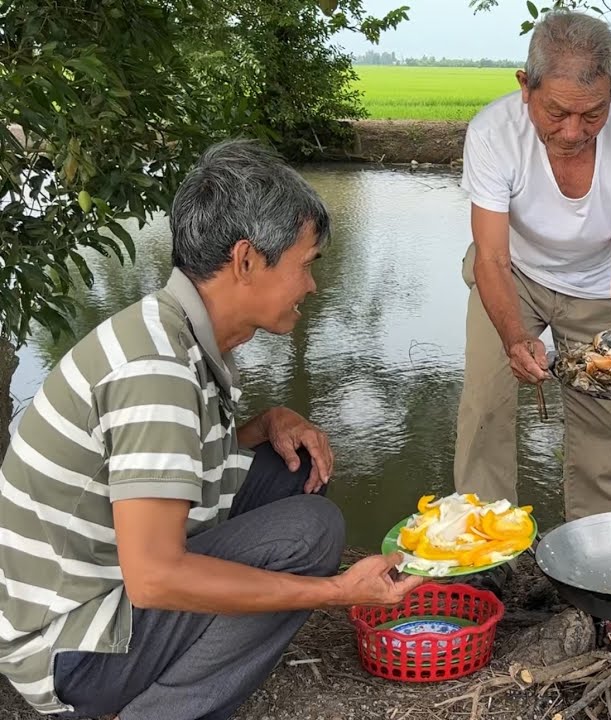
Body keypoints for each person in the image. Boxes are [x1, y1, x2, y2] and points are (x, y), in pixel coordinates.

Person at [0, 140, 423, 719]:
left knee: (289, 472)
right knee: (312, 531)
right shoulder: (156, 370)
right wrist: (336, 592)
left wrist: (264, 425)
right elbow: (152, 580)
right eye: (305, 265)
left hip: (97, 585)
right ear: (247, 261)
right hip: (71, 645)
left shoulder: (170, 330)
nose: (312, 287)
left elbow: (150, 458)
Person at [454, 10, 611, 523]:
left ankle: (593, 552)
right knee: (485, 407)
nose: (574, 131)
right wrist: (514, 336)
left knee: (605, 420)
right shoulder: (494, 132)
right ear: (525, 86)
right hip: (513, 276)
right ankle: (486, 552)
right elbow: (491, 256)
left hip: (601, 286)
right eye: (557, 112)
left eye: (593, 114)